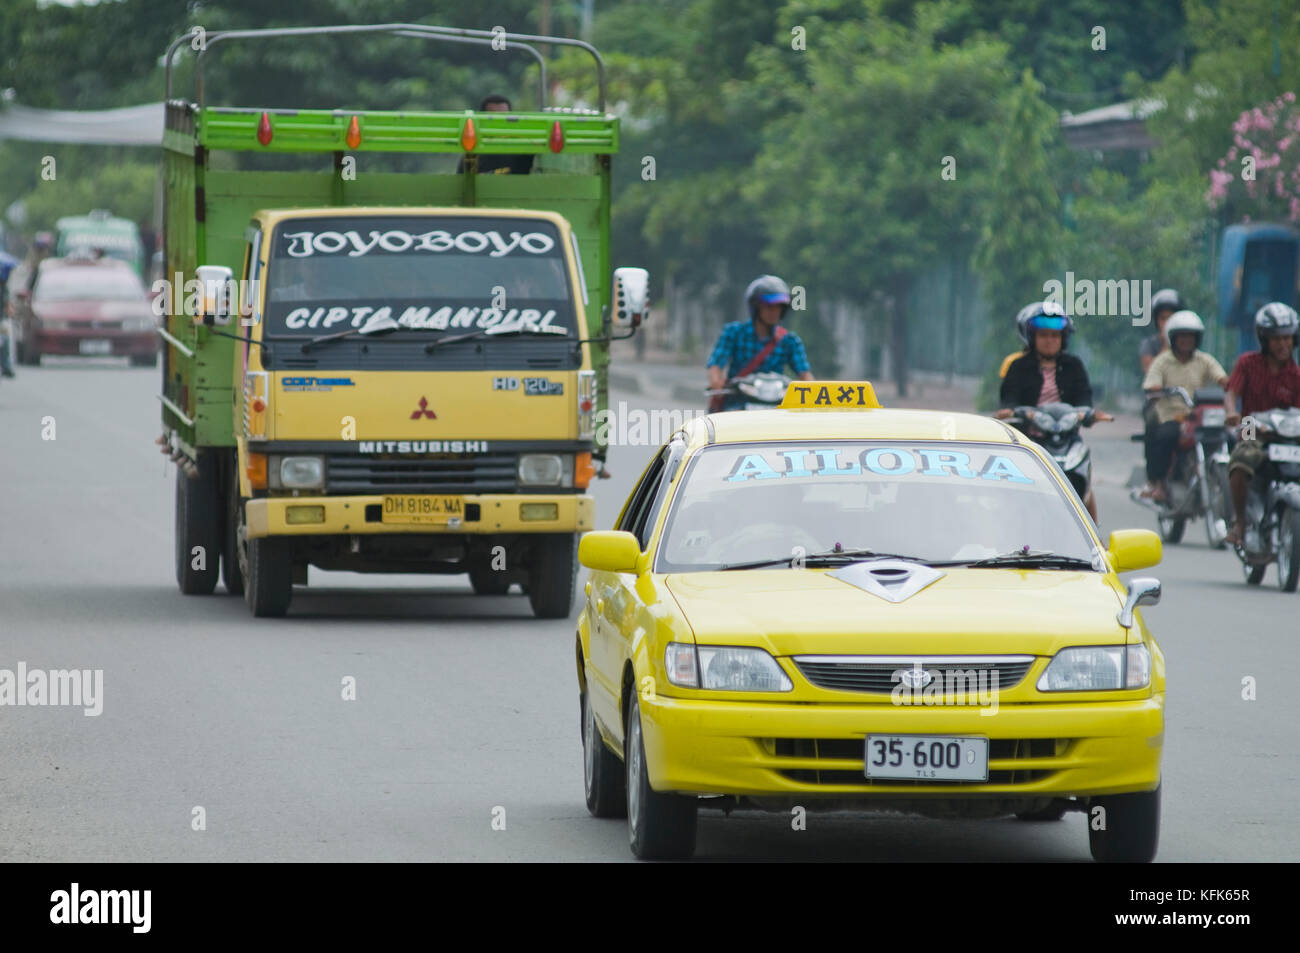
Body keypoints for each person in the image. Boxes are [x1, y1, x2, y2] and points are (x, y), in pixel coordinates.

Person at [995, 300, 1113, 521]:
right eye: (1043, 335)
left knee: (1083, 477)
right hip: (1027, 441)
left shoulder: (1074, 365)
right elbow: (1008, 400)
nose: (1050, 341)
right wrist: (1014, 412)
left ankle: (1095, 539)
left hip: (1067, 439)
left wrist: (1088, 414)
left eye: (1055, 336)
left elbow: (1084, 399)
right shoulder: (1017, 367)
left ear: (1063, 338)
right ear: (1031, 338)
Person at [1223, 302, 1300, 546]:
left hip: (1286, 433)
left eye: (1287, 338)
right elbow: (1231, 393)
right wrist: (1231, 413)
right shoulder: (1247, 363)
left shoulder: (1297, 375)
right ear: (1264, 339)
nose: (1283, 344)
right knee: (1241, 460)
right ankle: (1240, 522)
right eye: (1277, 338)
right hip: (1248, 424)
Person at [1139, 310, 1229, 503]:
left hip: (1199, 416)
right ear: (1173, 337)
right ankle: (1159, 483)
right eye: (1182, 336)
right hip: (1172, 416)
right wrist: (1159, 389)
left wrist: (1229, 385)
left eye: (1191, 336)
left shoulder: (1204, 360)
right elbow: (1151, 384)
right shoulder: (1162, 361)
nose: (1186, 340)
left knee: (1229, 434)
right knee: (1165, 436)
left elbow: (1222, 378)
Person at [706, 275, 813, 410]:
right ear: (755, 308)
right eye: (768, 306)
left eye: (779, 307)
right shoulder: (734, 333)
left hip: (777, 405)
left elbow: (805, 374)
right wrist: (716, 381)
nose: (774, 311)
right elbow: (716, 363)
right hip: (738, 402)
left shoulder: (790, 341)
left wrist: (813, 391)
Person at [456, 95, 534, 175]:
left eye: (504, 117)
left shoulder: (523, 149)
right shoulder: (472, 154)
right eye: (492, 118)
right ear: (482, 120)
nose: (499, 122)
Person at [1139, 288, 1182, 375]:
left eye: (1171, 318)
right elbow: (1150, 373)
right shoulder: (1148, 344)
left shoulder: (1188, 342)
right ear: (1156, 321)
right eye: (1163, 318)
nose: (1167, 323)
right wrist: (1167, 342)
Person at [0, 250, 19, 378]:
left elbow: (7, 304)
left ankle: (6, 367)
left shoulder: (4, 286)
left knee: (5, 341)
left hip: (2, 319)